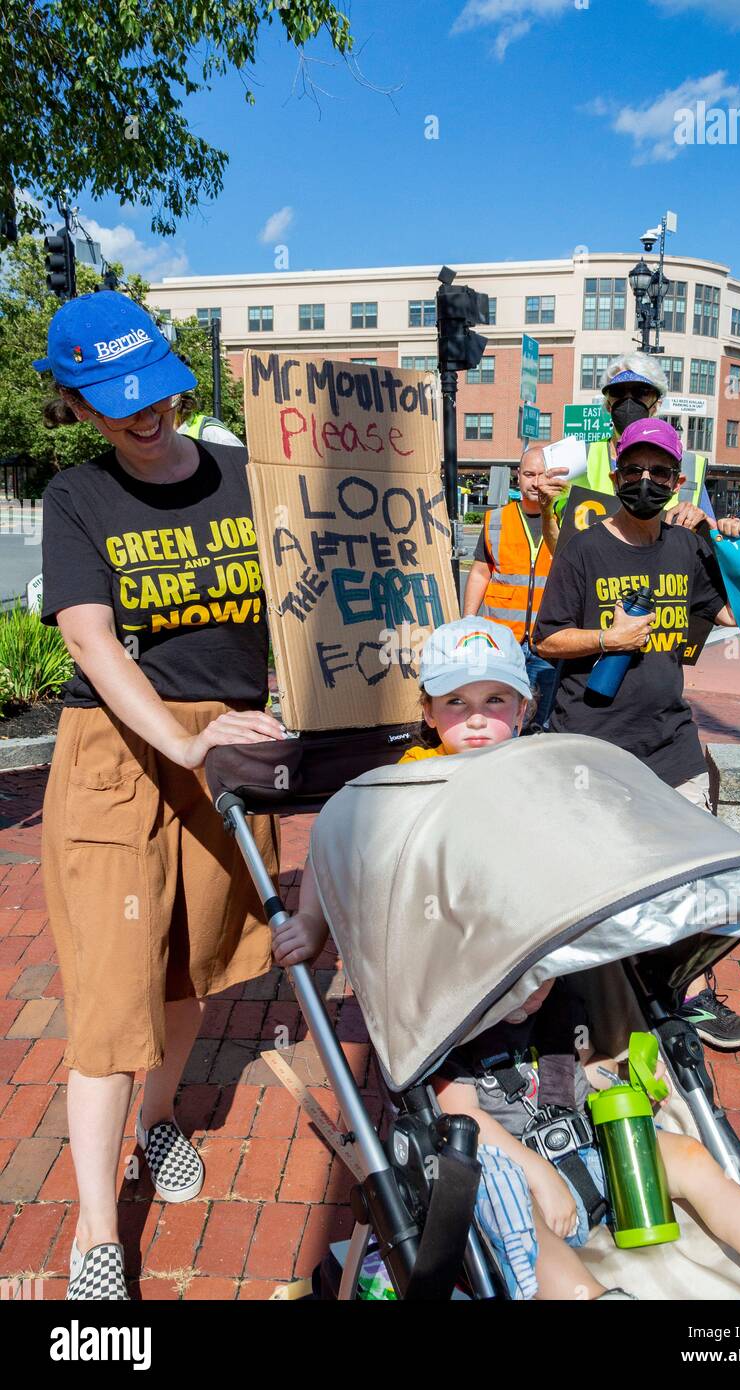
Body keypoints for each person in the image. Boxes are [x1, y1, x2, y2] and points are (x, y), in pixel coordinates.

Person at [35, 290, 288, 1300]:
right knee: (107, 995)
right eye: (113, 401)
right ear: (75, 403)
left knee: (192, 969)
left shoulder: (249, 477)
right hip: (119, 751)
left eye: (153, 392)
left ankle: (159, 1120)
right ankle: (97, 1233)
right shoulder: (75, 498)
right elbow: (91, 642)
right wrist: (183, 739)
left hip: (226, 746)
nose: (143, 415)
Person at [532, 418, 740, 1051]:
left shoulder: (687, 548)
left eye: (660, 472)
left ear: (677, 481)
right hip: (594, 747)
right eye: (634, 469)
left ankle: (682, 989)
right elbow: (546, 638)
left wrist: (730, 542)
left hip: (671, 744)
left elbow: (736, 613)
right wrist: (609, 639)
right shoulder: (583, 548)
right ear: (616, 473)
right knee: (597, 880)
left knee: (701, 875)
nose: (645, 481)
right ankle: (591, 996)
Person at [433, 976, 740, 1302]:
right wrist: (541, 1175)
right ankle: (591, 1293)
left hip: (596, 1154)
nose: (532, 994)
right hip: (525, 1176)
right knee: (512, 1211)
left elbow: (581, 1069)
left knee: (690, 1156)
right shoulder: (455, 1032)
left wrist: (625, 1075)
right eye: (517, 983)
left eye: (541, 979)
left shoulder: (559, 1005)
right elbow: (464, 1116)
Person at [271, 617, 533, 966]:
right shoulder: (409, 775)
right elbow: (333, 839)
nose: (476, 718)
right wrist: (312, 920)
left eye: (495, 699)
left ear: (521, 709)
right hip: (432, 947)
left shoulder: (535, 772)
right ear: (429, 712)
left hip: (517, 939)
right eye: (456, 701)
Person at [536, 352, 712, 556]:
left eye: (641, 392)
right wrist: (546, 514)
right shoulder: (574, 459)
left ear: (656, 404)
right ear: (608, 404)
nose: (629, 402)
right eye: (618, 392)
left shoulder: (690, 465)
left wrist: (702, 520)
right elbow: (562, 552)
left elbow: (710, 547)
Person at [463, 448, 558, 730]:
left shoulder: (563, 521)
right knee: (499, 717)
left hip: (548, 642)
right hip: (502, 640)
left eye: (543, 475)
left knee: (541, 722)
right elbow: (481, 571)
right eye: (529, 474)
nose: (536, 482)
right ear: (518, 475)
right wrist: (469, 620)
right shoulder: (497, 520)